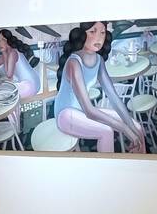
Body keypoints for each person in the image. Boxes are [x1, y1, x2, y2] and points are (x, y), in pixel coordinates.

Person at [53, 21, 146, 154]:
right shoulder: (74, 62)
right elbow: (89, 110)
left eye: (102, 32)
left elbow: (113, 97)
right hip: (66, 115)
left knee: (137, 127)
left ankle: (140, 161)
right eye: (92, 32)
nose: (99, 38)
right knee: (107, 131)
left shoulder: (99, 60)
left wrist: (131, 127)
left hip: (82, 111)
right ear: (82, 35)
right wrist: (125, 129)